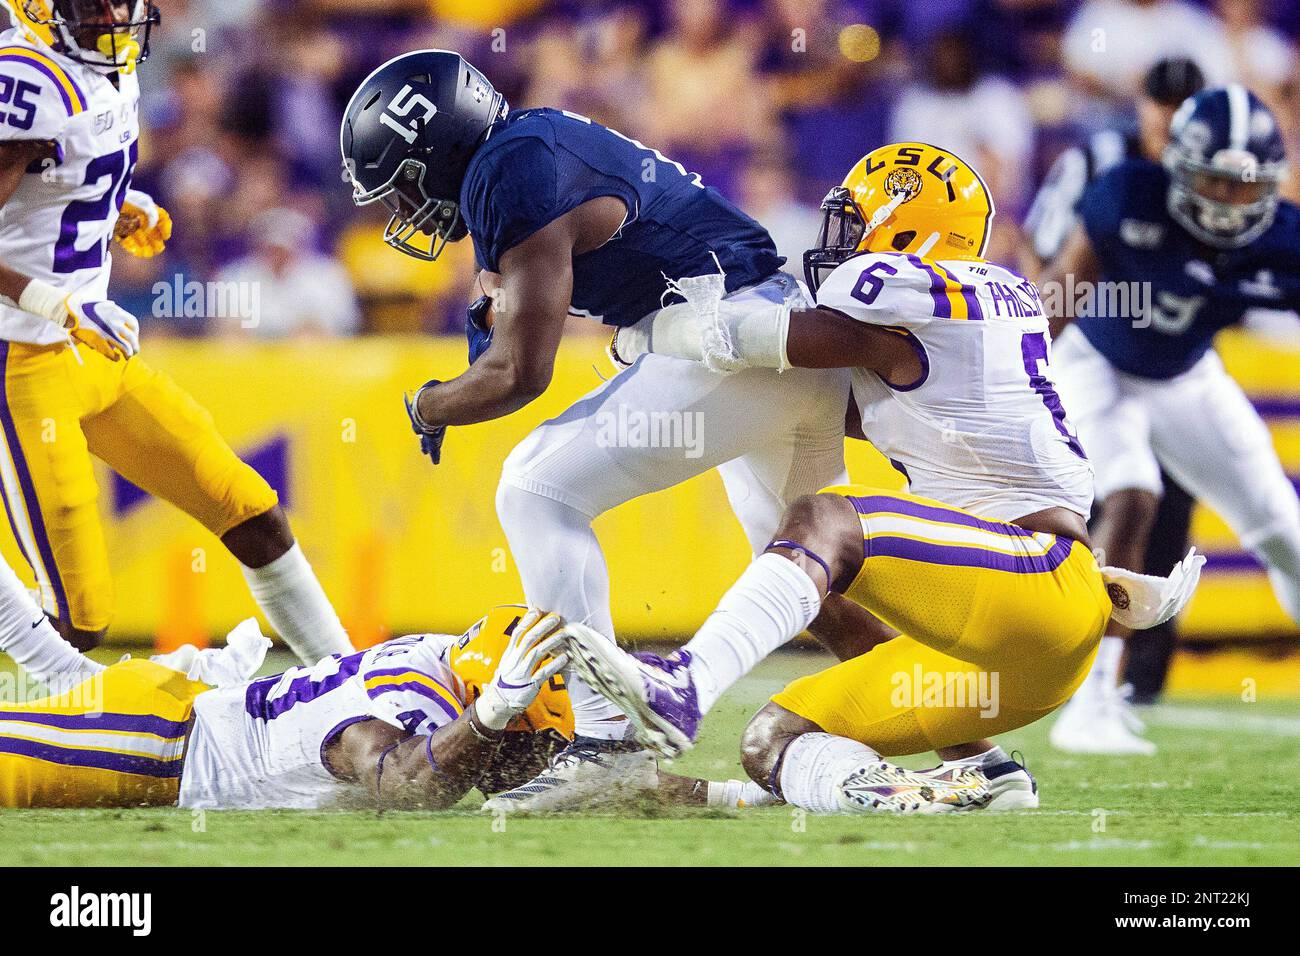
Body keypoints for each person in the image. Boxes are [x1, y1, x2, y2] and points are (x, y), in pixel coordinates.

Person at [557, 142, 1203, 813]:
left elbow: (767, 340)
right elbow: (840, 397)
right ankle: (983, 777)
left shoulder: (918, 295)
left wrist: (649, 333)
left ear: (905, 225)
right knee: (772, 738)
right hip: (1003, 649)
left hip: (1039, 577)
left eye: (852, 221)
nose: (838, 241)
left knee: (827, 519)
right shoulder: (959, 316)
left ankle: (686, 684)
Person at [341, 50, 855, 811]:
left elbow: (520, 375)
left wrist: (428, 404)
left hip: (729, 339)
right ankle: (970, 750)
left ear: (441, 148)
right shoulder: (524, 149)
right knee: (822, 581)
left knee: (537, 487)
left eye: (407, 183)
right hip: (768, 337)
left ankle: (605, 744)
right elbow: (503, 336)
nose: (406, 209)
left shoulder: (507, 170)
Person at [0, 2, 349, 663]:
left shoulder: (110, 69)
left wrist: (113, 204)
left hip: (97, 355)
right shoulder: (26, 82)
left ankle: (350, 680)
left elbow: (57, 178)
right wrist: (58, 304)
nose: (112, 13)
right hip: (21, 363)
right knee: (79, 619)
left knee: (251, 510)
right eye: (91, 3)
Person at [1041, 85, 1300, 754]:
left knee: (1286, 534)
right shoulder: (1129, 197)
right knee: (1131, 495)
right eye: (1216, 180)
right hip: (1095, 359)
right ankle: (1090, 703)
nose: (1228, 202)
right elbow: (1060, 295)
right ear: (1180, 165)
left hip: (1186, 377)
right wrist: (1015, 384)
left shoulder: (1285, 242)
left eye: (1246, 188)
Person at [0, 598, 765, 810]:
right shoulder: (395, 714)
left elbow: (591, 784)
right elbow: (405, 786)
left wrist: (739, 795)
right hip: (159, 745)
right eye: (533, 740)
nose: (541, 760)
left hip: (186, 706)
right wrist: (494, 718)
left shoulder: (457, 662)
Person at [1022, 56, 1205, 716]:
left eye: (1186, 102)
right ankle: (1063, 655)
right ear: (1144, 104)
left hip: (1168, 355)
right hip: (1091, 346)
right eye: (1163, 100)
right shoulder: (1100, 159)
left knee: (1169, 503)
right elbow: (1040, 245)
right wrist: (1045, 340)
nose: (1172, 116)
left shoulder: (1208, 169)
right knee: (1089, 498)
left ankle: (1136, 675)